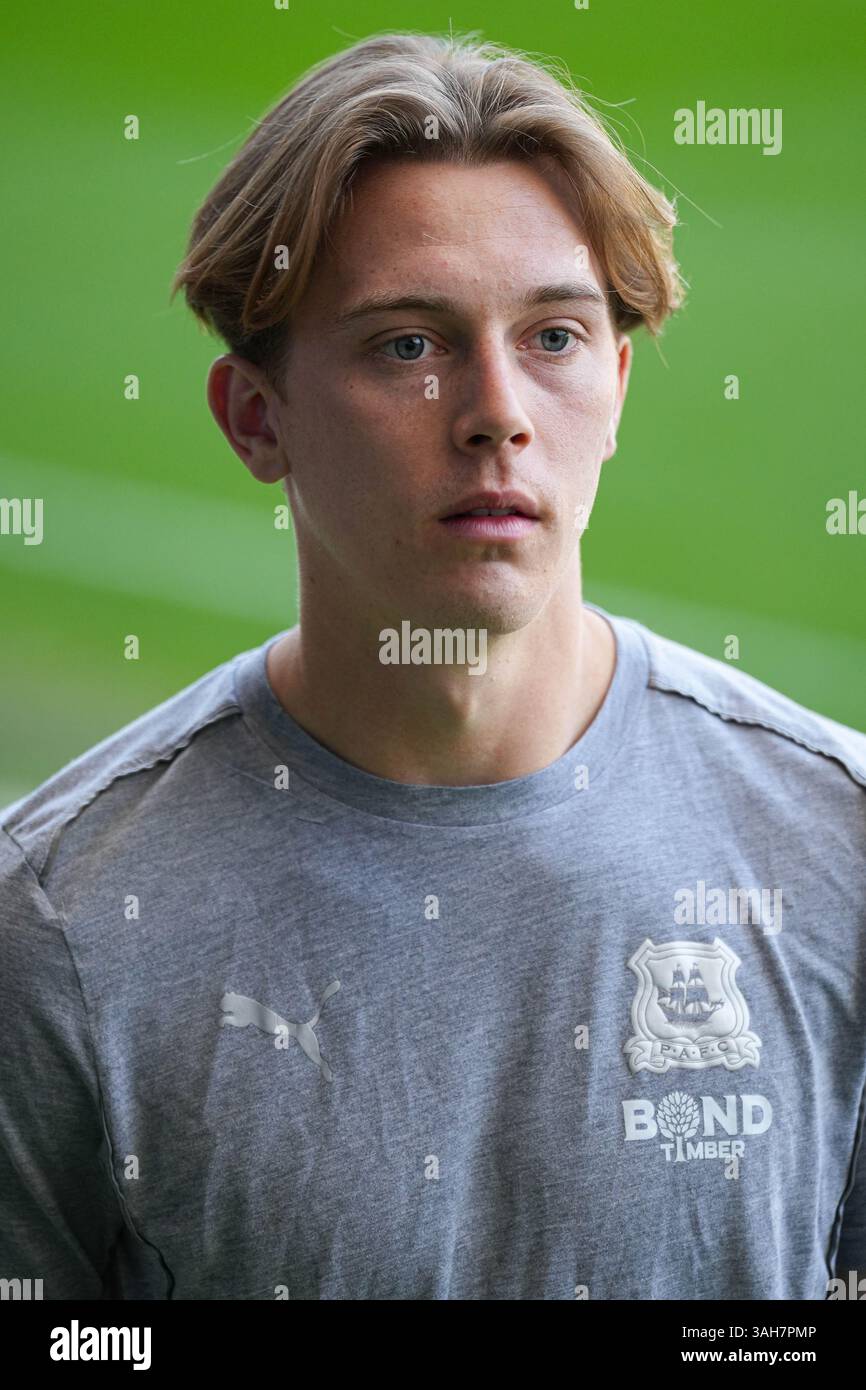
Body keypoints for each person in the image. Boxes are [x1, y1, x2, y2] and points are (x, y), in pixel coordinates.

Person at [1, 30, 864, 1302]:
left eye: (555, 337)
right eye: (407, 344)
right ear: (256, 417)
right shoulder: (58, 925)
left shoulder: (835, 847)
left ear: (617, 386)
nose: (497, 410)